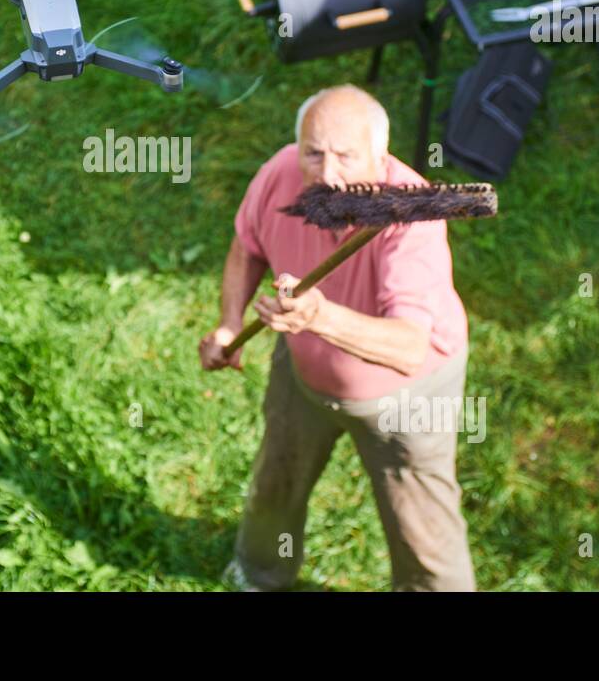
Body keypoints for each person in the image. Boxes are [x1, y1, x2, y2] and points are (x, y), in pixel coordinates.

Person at [199, 84, 476, 591]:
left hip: (405, 398)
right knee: (275, 483)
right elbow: (248, 245)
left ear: (380, 155)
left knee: (424, 529)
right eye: (314, 153)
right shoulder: (281, 173)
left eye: (346, 157)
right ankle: (258, 575)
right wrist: (230, 323)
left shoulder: (410, 218)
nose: (327, 175)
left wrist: (320, 319)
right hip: (304, 368)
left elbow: (409, 348)